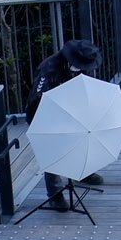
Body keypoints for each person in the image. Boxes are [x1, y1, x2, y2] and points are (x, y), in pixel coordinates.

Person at [28, 38, 102, 200]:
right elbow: (37, 100)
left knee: (85, 132)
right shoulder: (49, 69)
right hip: (45, 111)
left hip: (72, 106)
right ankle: (55, 193)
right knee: (53, 148)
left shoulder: (83, 67)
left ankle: (83, 171)